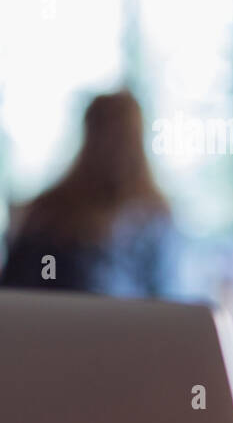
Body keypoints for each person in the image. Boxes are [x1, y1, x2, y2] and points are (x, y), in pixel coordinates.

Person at [0, 90, 180, 297]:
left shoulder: (154, 218)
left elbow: (166, 299)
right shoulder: (50, 215)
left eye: (122, 135)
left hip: (132, 328)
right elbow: (32, 283)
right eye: (107, 132)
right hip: (59, 326)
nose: (114, 147)